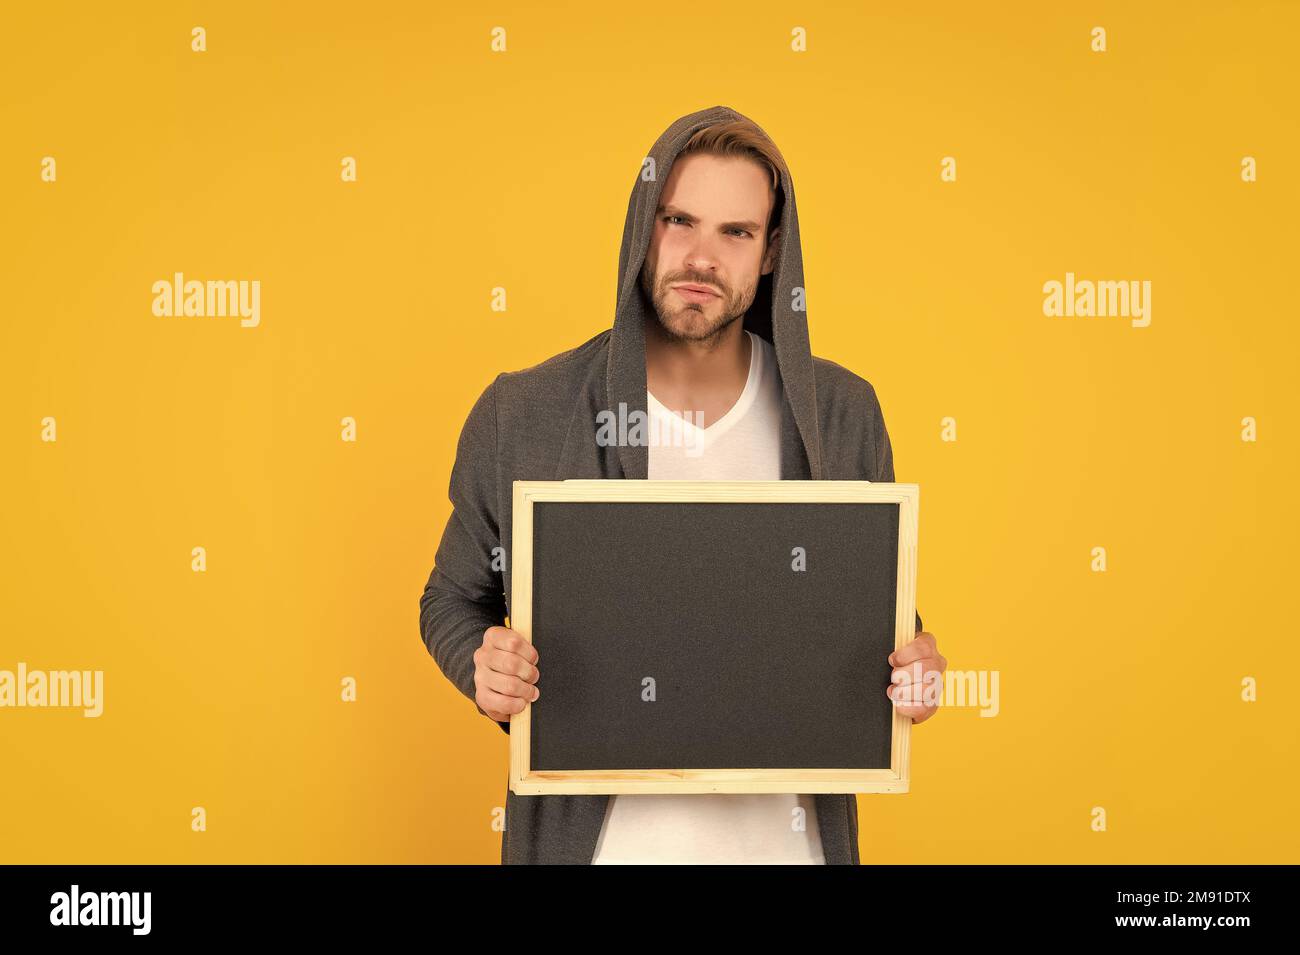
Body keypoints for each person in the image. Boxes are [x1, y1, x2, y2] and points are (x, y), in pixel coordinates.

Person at [419, 105, 946, 864]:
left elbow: (875, 619)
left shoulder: (840, 414)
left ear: (770, 254)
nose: (702, 257)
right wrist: (480, 660)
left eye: (737, 232)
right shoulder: (524, 411)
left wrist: (915, 670)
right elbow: (451, 596)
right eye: (680, 221)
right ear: (644, 227)